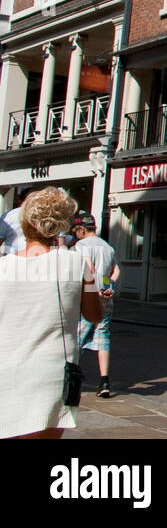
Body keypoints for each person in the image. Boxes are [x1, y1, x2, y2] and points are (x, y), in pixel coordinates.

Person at [0, 187, 103, 439]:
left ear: (24, 222)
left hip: (7, 372)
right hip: (53, 375)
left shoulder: (3, 268)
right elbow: (94, 316)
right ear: (61, 225)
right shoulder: (77, 263)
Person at [72, 213, 119, 398]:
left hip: (89, 297)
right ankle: (105, 380)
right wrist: (108, 287)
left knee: (78, 336)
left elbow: (89, 269)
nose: (75, 234)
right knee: (103, 336)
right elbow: (115, 270)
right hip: (106, 298)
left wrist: (94, 290)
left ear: (82, 229)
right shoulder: (107, 247)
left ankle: (71, 377)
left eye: (76, 230)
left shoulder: (82, 245)